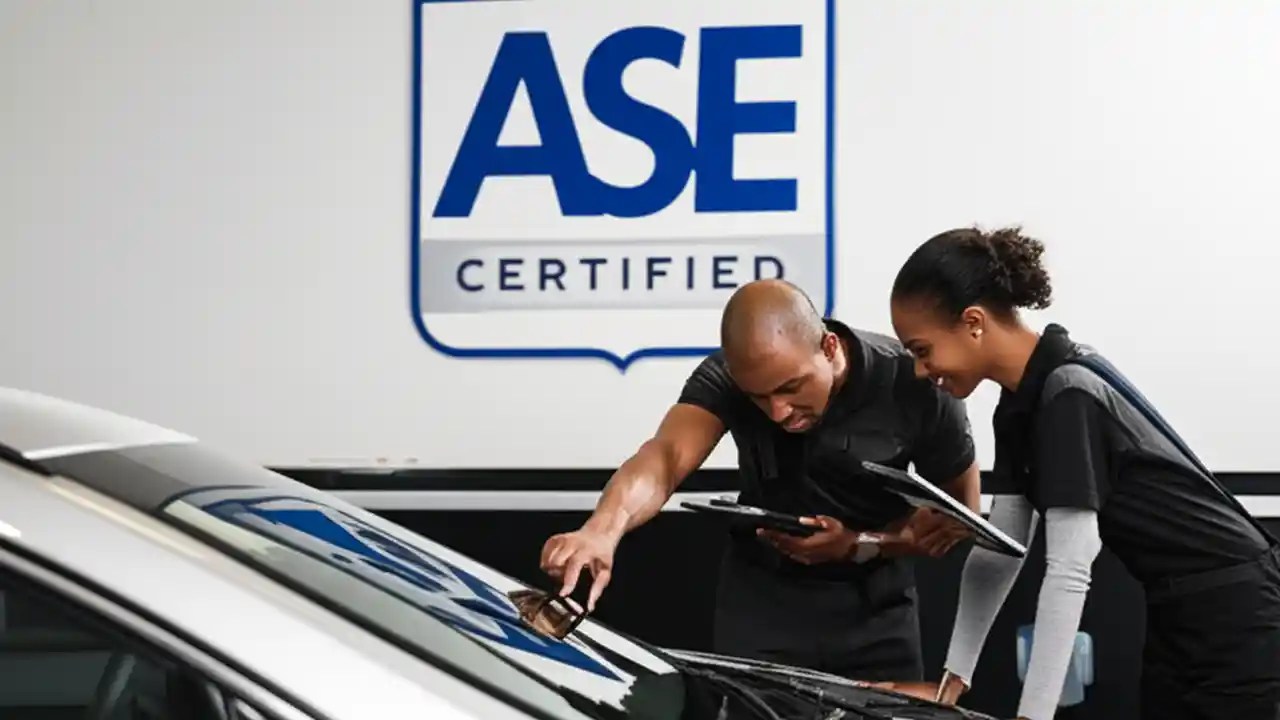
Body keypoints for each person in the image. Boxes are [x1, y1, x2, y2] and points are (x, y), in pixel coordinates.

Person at [885, 226, 1280, 719]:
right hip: (1176, 606)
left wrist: (1033, 715)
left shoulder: (1069, 392)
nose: (922, 371)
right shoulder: (1018, 405)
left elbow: (1070, 568)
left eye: (922, 351)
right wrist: (951, 684)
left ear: (973, 323)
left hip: (1238, 608)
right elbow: (999, 552)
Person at [539, 278, 983, 683]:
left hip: (877, 616)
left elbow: (962, 515)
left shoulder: (913, 383)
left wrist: (860, 543)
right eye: (759, 397)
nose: (778, 413)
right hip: (763, 610)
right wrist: (602, 530)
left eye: (792, 387)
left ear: (829, 347)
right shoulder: (728, 375)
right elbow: (666, 456)